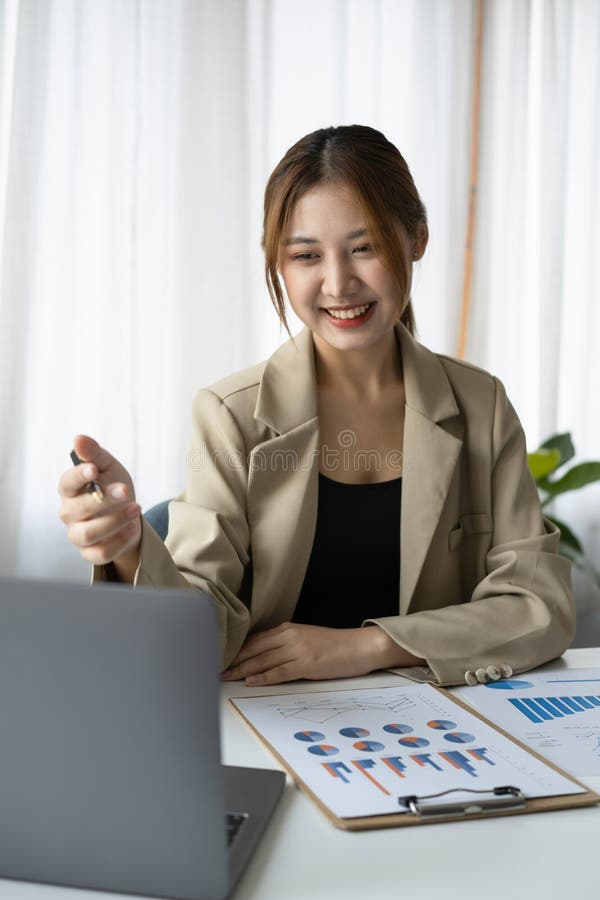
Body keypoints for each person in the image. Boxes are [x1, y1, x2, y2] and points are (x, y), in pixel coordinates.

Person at [58, 125, 575, 688]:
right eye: (306, 255)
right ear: (278, 264)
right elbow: (199, 636)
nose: (338, 283)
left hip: (435, 728)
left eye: (365, 247)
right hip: (276, 724)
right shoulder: (231, 415)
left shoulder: (482, 405)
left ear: (417, 239)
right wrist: (130, 546)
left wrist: (369, 645)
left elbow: (539, 605)